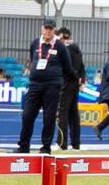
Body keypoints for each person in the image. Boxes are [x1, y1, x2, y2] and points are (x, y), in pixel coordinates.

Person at [16, 20, 75, 154]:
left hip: (52, 86)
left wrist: (71, 80)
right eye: (46, 28)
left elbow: (67, 66)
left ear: (54, 30)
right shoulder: (35, 43)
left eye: (51, 29)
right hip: (35, 85)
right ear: (42, 29)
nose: (48, 31)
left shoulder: (60, 46)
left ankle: (46, 147)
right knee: (27, 115)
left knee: (49, 117)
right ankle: (23, 146)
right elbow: (33, 59)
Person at [56, 27, 84, 150]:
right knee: (73, 113)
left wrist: (76, 77)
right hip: (74, 84)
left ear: (62, 36)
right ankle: (76, 143)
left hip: (66, 82)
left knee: (62, 113)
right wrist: (80, 79)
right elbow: (82, 66)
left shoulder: (65, 49)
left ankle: (62, 143)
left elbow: (66, 67)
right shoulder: (77, 48)